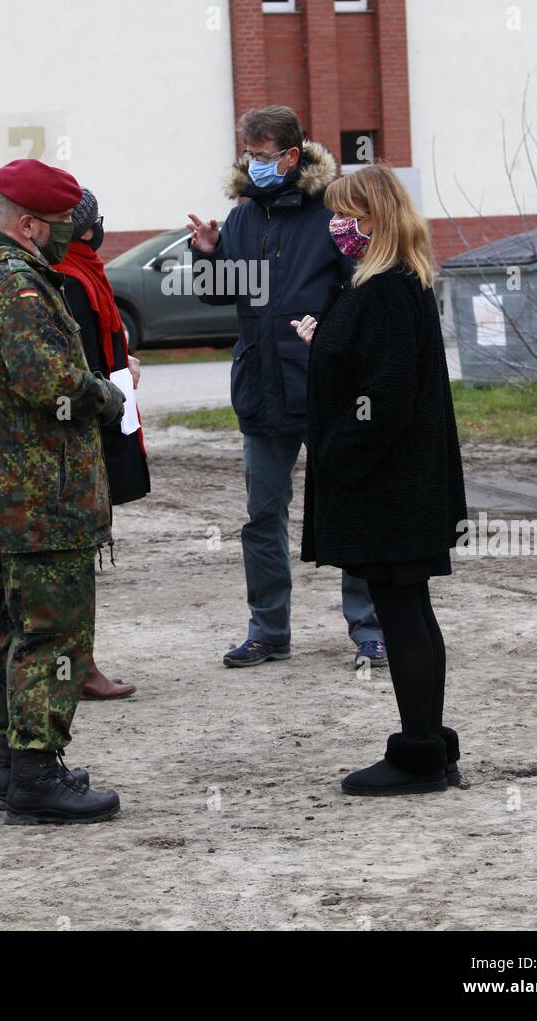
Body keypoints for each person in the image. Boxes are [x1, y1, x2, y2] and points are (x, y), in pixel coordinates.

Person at [0, 158, 127, 826]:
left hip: (13, 496)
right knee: (53, 636)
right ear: (27, 226)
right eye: (59, 228)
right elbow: (53, 382)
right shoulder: (16, 287)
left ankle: (15, 763)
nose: (68, 240)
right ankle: (36, 773)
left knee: (18, 632)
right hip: (41, 497)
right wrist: (107, 393)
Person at [188, 105, 385, 669]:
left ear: (292, 156)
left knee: (349, 510)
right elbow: (221, 293)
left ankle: (370, 631)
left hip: (326, 388)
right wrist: (206, 256)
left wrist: (333, 332)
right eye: (247, 155)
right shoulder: (245, 218)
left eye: (263, 155)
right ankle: (269, 631)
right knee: (261, 516)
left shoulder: (335, 212)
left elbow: (366, 287)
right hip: (261, 389)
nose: (253, 165)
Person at [298, 163, 467, 796]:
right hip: (398, 484)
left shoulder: (387, 290)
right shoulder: (382, 285)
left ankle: (420, 754)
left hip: (390, 487)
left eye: (350, 214)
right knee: (408, 608)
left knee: (402, 611)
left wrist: (337, 453)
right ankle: (429, 745)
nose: (338, 226)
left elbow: (385, 395)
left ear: (377, 220)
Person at [52, 185, 149, 700]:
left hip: (100, 414)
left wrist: (121, 362)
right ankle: (77, 667)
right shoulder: (68, 279)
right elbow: (77, 364)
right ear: (86, 229)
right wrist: (113, 377)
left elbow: (100, 345)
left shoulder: (88, 272)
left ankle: (78, 664)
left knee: (79, 553)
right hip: (85, 430)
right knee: (74, 556)